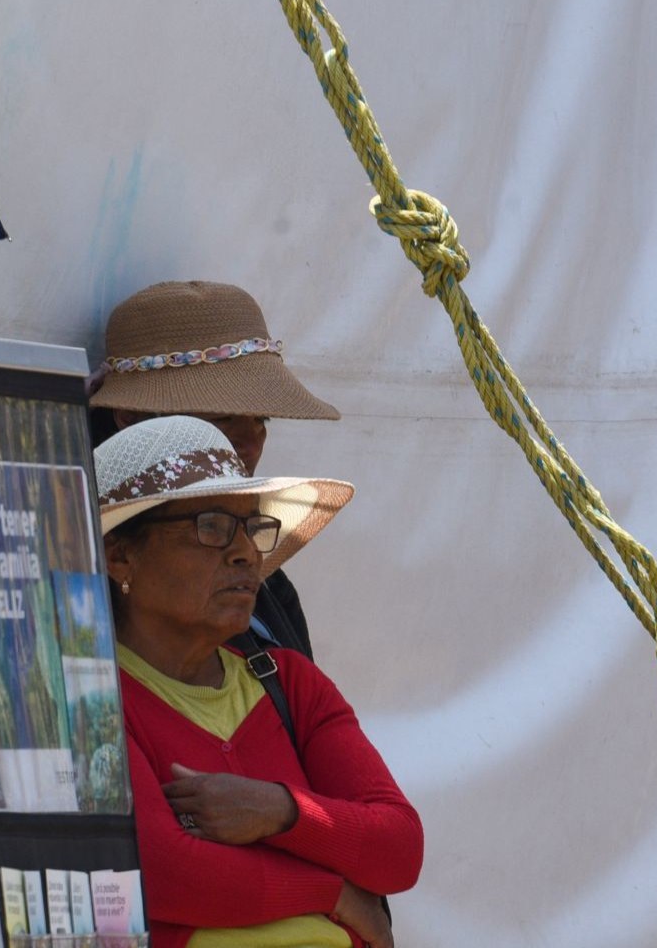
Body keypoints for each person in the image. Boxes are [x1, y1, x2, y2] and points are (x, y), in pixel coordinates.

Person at [95, 415, 420, 948]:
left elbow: (399, 850)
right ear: (120, 554)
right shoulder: (94, 697)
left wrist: (278, 809)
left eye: (252, 527)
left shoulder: (290, 681)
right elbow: (167, 875)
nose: (246, 551)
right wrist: (335, 893)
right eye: (211, 526)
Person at [90, 280, 340, 659]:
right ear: (131, 417)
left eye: (262, 420)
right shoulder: (76, 592)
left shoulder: (269, 591)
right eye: (222, 420)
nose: (251, 444)